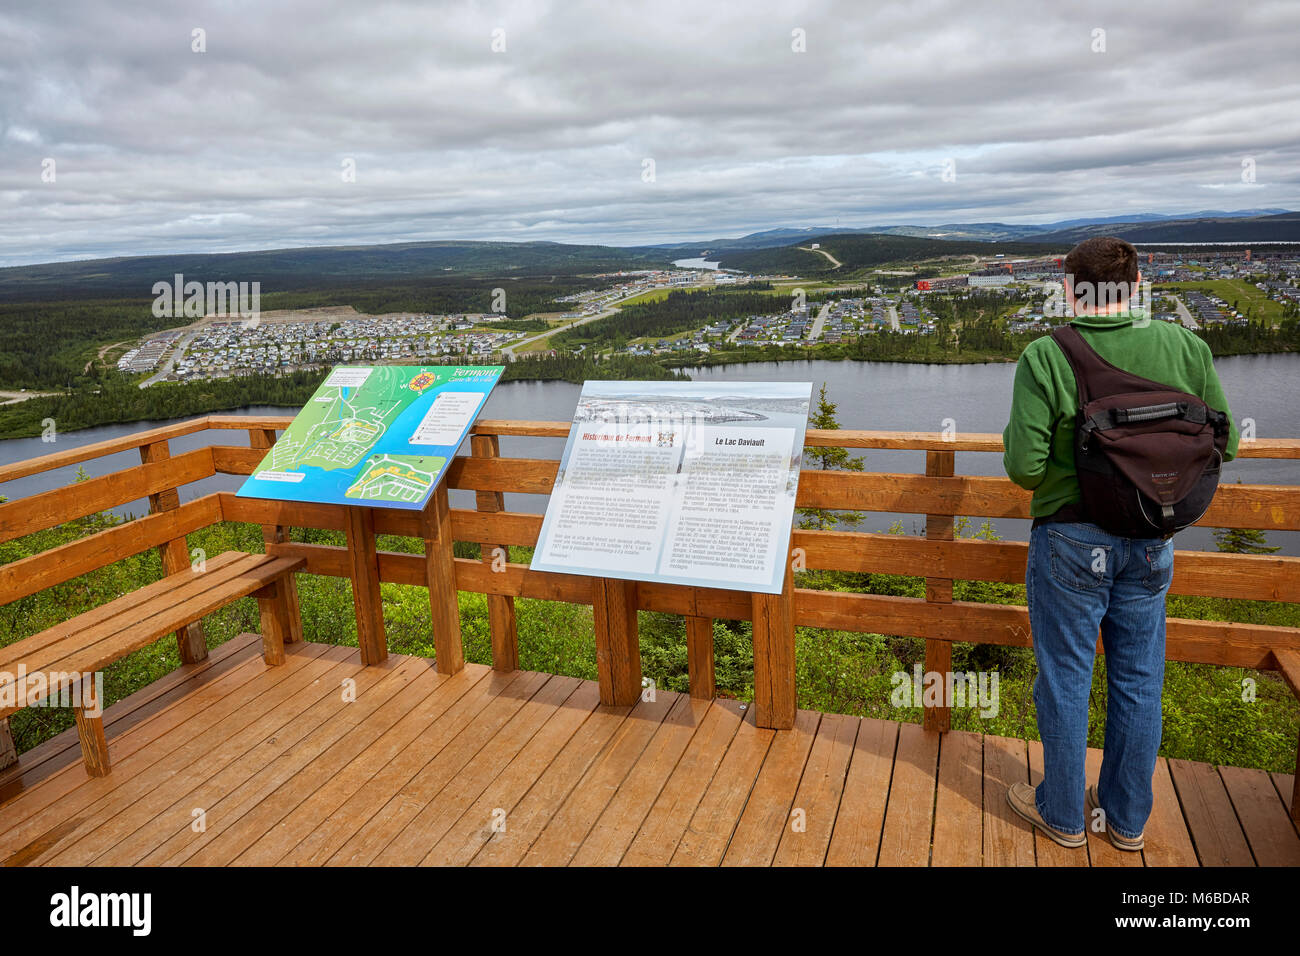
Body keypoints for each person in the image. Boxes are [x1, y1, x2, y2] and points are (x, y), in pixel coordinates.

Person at [1001, 235, 1239, 850]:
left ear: (1069, 286)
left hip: (1072, 541)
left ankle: (1061, 815)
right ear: (1135, 285)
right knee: (1138, 679)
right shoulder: (1186, 345)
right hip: (1153, 538)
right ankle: (1125, 821)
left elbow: (1026, 468)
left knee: (1065, 677)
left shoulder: (1047, 355)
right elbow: (1226, 444)